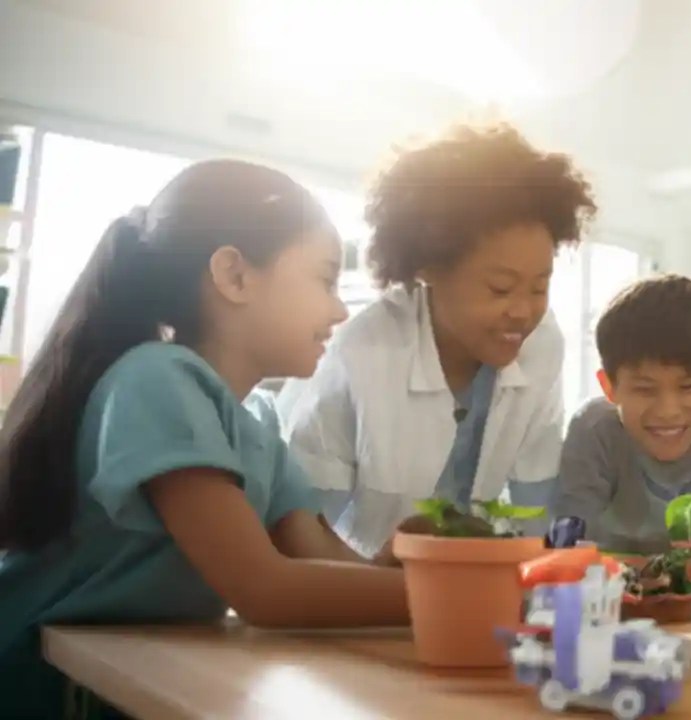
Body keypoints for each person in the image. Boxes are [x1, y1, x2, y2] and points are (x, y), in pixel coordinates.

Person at [0, 161, 409, 718]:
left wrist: (415, 568)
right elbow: (263, 589)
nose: (339, 309)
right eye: (325, 279)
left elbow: (322, 567)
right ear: (234, 276)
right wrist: (480, 598)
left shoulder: (257, 425)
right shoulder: (155, 379)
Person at [279, 123, 597, 557]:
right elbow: (306, 531)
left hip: (468, 579)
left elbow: (536, 505)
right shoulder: (364, 352)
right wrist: (379, 587)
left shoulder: (542, 344)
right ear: (427, 267)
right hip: (359, 586)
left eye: (539, 287)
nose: (523, 311)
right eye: (500, 289)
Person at [552, 274, 691, 554]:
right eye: (645, 389)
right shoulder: (594, 431)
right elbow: (569, 544)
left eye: (689, 387)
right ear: (609, 386)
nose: (668, 411)